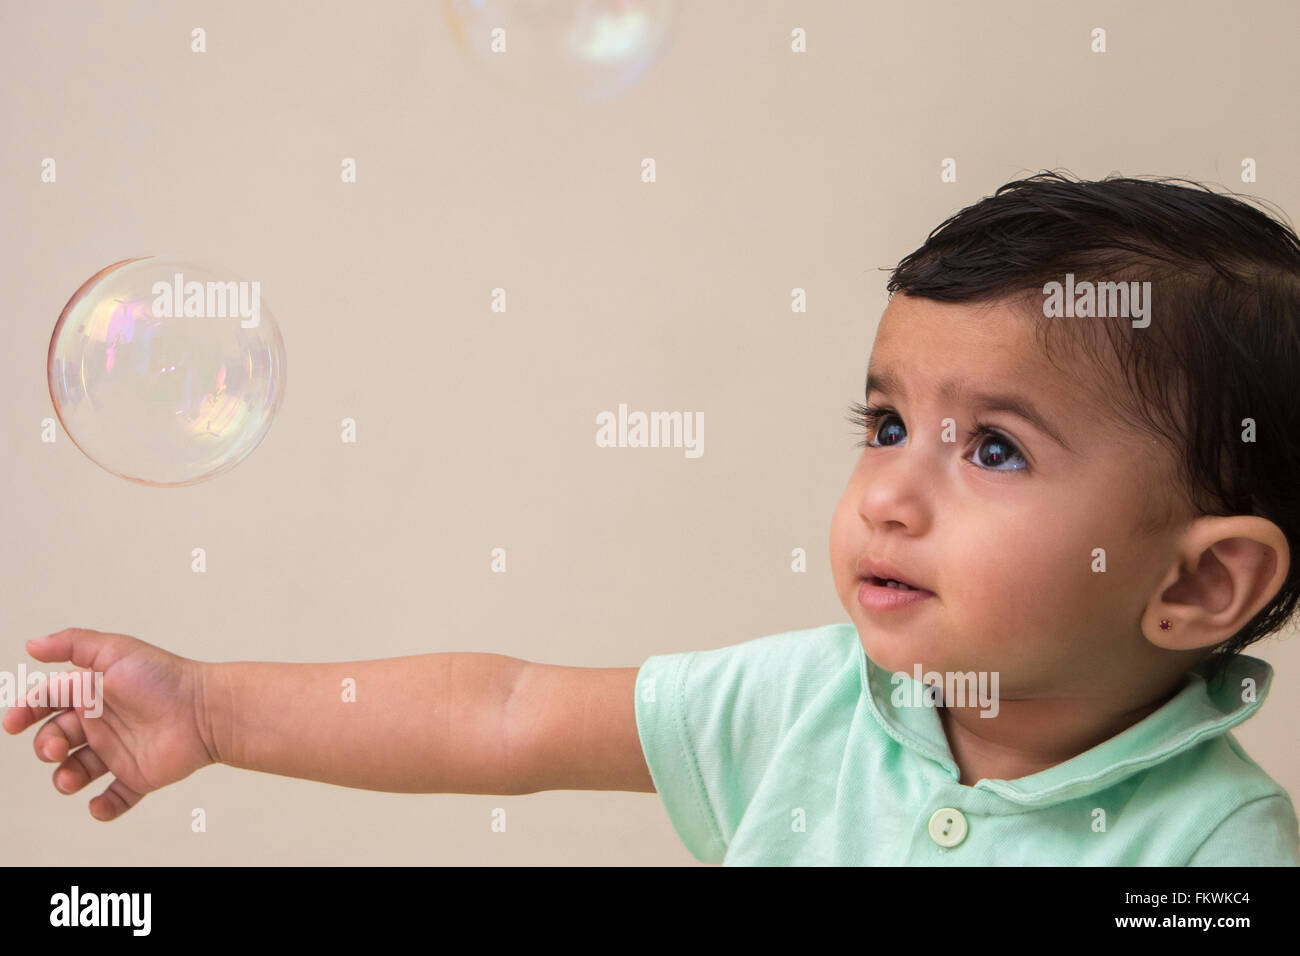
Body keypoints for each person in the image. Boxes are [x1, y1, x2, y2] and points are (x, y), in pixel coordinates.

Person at [7, 172, 1300, 865]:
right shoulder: (811, 705)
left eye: (997, 448)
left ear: (1198, 588)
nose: (890, 494)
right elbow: (501, 714)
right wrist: (212, 710)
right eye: (887, 426)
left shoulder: (1212, 846)